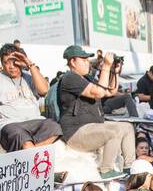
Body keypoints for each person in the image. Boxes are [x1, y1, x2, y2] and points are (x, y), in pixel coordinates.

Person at [57, 45, 134, 177]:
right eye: (84, 59)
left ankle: (129, 168)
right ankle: (106, 169)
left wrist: (114, 71)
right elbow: (98, 92)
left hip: (92, 127)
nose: (88, 62)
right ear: (72, 62)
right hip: (76, 131)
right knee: (114, 132)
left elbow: (110, 91)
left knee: (127, 127)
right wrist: (105, 66)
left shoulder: (87, 78)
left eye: (88, 59)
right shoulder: (69, 77)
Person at [0, 43, 61, 156]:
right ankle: (30, 152)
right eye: (6, 62)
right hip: (10, 124)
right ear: (2, 63)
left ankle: (30, 152)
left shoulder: (30, 76)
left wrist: (29, 64)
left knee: (55, 128)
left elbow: (43, 91)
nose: (11, 66)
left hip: (35, 121)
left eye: (14, 61)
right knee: (23, 139)